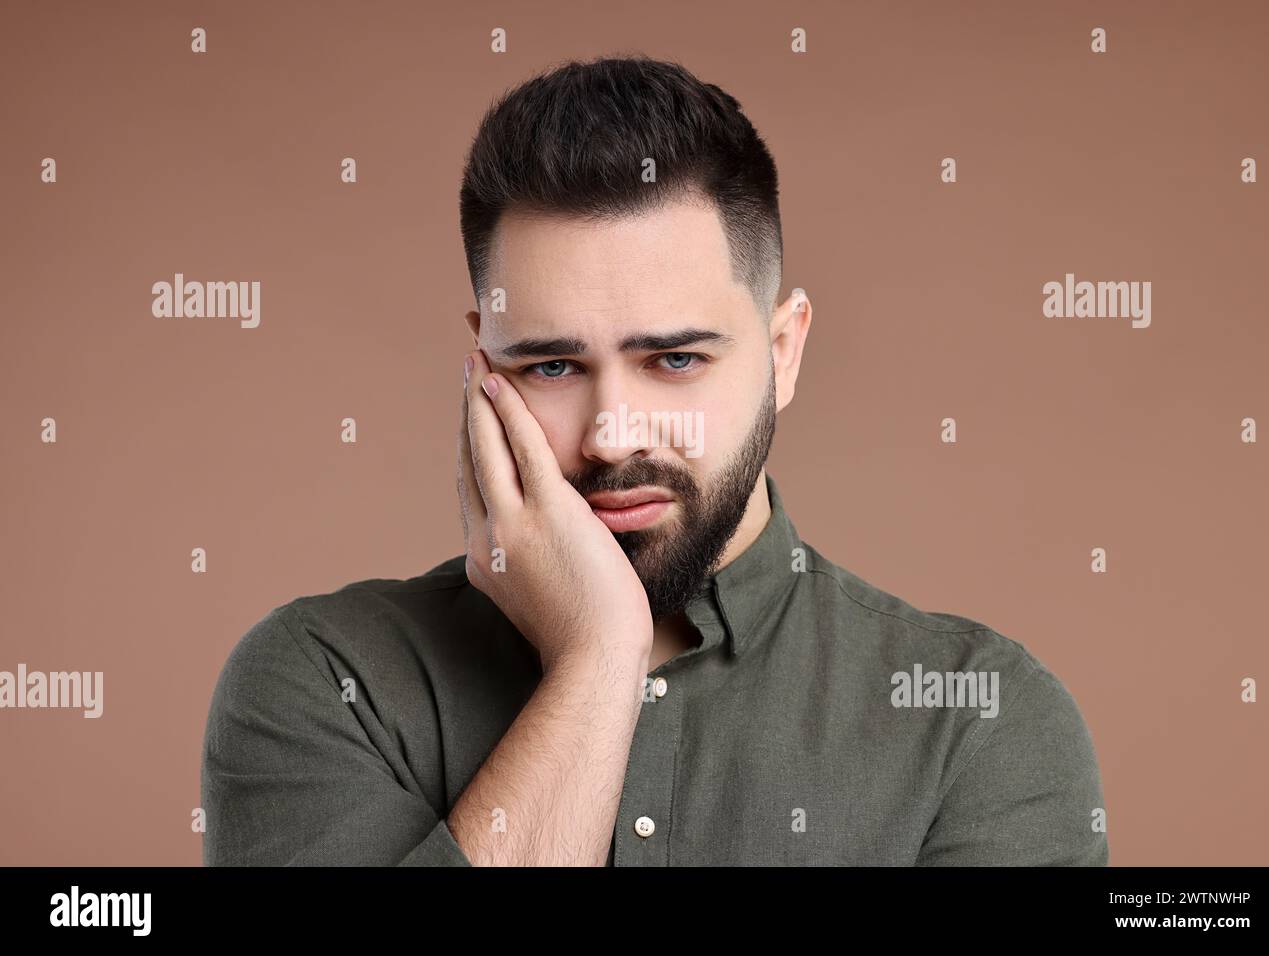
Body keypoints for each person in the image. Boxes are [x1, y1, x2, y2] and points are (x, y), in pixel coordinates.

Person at [200, 55, 1107, 866]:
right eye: (551, 365)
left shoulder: (977, 723)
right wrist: (597, 661)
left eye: (675, 359)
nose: (613, 435)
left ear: (783, 352)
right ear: (481, 366)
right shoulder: (325, 682)